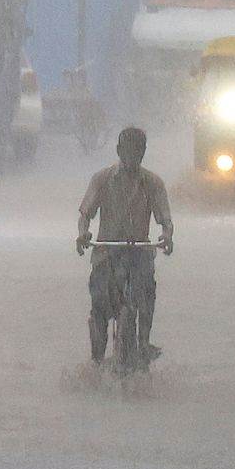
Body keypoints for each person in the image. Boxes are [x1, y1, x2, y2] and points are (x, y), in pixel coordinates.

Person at [76, 127, 174, 367]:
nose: (133, 157)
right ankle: (96, 359)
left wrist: (167, 235)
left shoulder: (153, 183)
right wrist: (83, 233)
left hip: (139, 254)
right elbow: (85, 214)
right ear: (119, 151)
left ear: (143, 153)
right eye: (128, 151)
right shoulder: (102, 179)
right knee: (99, 308)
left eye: (138, 152)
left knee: (147, 295)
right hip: (106, 254)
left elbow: (165, 219)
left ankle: (144, 342)